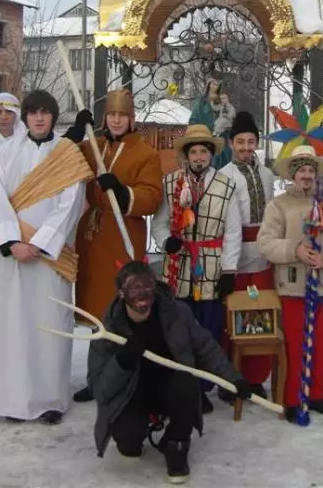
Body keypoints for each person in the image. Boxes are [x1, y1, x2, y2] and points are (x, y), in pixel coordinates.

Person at [0, 90, 92, 424]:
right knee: (14, 327)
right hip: (13, 257)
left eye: (45, 112)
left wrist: (39, 244)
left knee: (50, 327)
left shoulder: (67, 153)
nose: (39, 118)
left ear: (54, 117)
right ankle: (15, 400)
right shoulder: (9, 151)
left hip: (49, 258)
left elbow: (70, 204)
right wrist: (12, 244)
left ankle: (49, 400)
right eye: (33, 112)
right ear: (25, 117)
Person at [88, 261, 250, 484]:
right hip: (131, 394)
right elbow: (99, 389)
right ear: (121, 293)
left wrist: (234, 379)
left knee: (185, 381)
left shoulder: (177, 313)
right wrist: (122, 362)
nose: (143, 297)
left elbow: (207, 348)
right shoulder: (107, 329)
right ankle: (134, 433)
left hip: (171, 388)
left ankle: (176, 444)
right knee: (128, 445)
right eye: (134, 290)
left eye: (148, 290)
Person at [71, 89, 163, 403]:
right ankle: (96, 380)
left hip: (124, 238)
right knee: (97, 316)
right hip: (93, 238)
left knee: (121, 311)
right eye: (111, 115)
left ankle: (125, 378)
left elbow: (151, 196)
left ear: (131, 118)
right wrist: (73, 132)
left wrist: (123, 193)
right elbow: (63, 158)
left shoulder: (145, 153)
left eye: (122, 115)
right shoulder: (93, 146)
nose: (116, 120)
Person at [257, 145, 323, 423]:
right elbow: (265, 242)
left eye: (310, 170)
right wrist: (295, 250)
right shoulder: (279, 205)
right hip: (293, 285)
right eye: (301, 170)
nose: (306, 175)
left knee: (322, 342)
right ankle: (292, 399)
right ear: (292, 174)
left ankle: (315, 394)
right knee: (294, 344)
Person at [150, 124, 242, 414]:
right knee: (177, 329)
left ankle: (202, 387)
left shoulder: (226, 185)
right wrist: (167, 242)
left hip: (211, 265)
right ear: (187, 155)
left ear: (211, 155)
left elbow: (233, 231)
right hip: (178, 267)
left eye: (204, 151)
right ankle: (183, 386)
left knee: (208, 329)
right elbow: (160, 222)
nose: (199, 156)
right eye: (194, 151)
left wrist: (229, 270)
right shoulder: (171, 183)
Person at [214, 111, 276, 401]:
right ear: (230, 143)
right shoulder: (224, 176)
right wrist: (228, 268)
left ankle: (255, 377)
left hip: (264, 254)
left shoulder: (267, 174)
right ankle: (231, 377)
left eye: (251, 142)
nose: (246, 148)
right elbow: (229, 223)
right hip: (236, 257)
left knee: (261, 313)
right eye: (240, 142)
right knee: (234, 318)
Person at [188, 79, 234, 169]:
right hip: (206, 137)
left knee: (224, 161)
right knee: (209, 161)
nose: (215, 86)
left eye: (217, 84)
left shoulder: (222, 100)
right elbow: (194, 118)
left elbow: (229, 116)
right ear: (209, 85)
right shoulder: (202, 102)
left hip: (222, 135)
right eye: (213, 83)